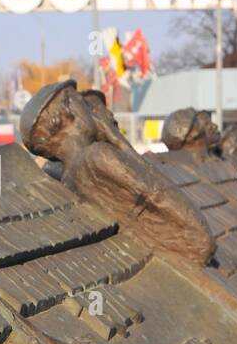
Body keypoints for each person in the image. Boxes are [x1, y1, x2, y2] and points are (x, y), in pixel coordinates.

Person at [20, 81, 214, 265]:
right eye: (84, 105)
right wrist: (119, 141)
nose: (94, 111)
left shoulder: (68, 181)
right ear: (66, 113)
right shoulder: (97, 155)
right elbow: (196, 230)